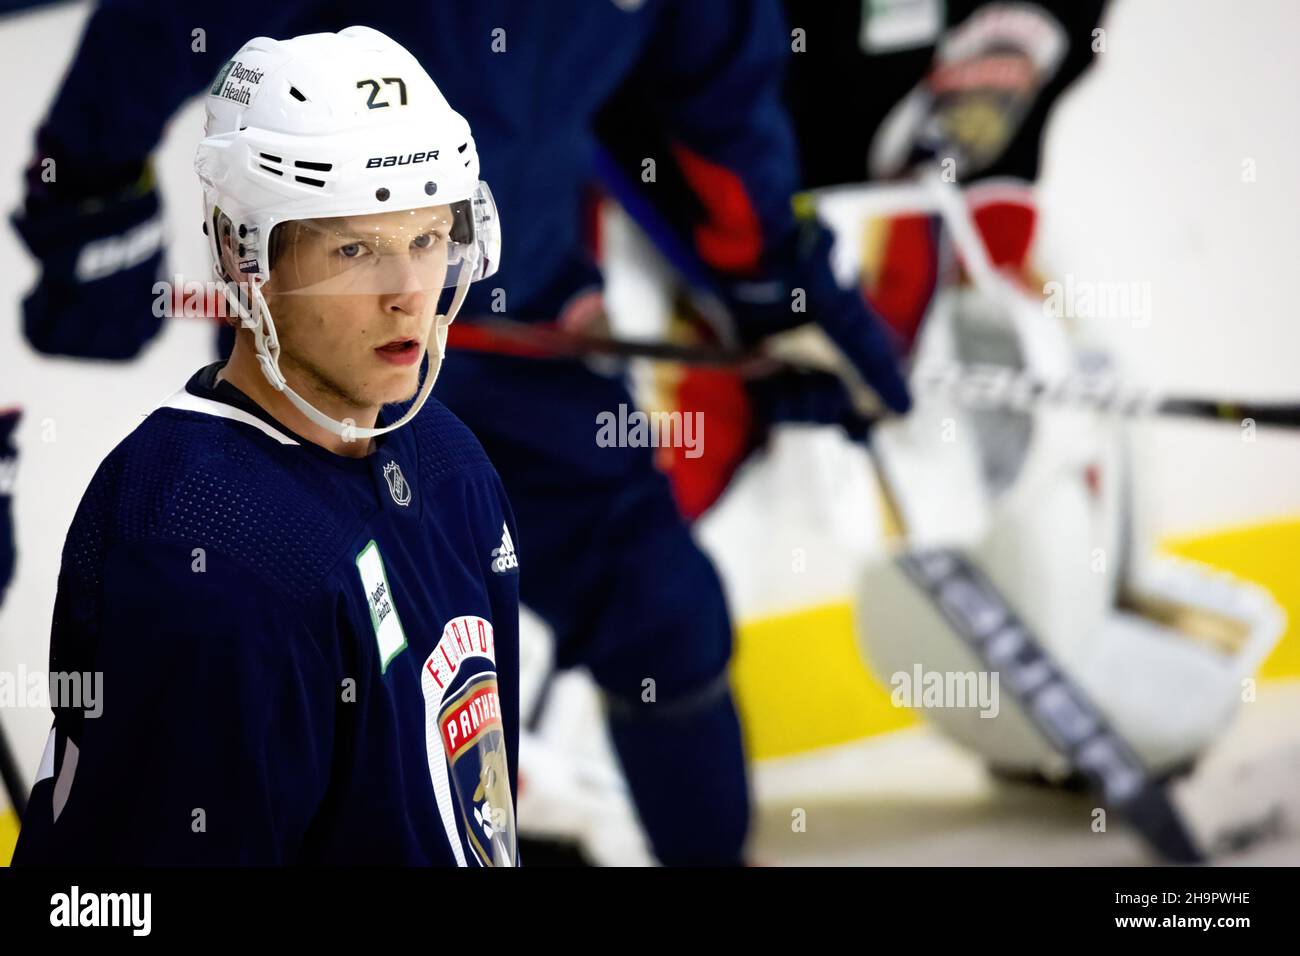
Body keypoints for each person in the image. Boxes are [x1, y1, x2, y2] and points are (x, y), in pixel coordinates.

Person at [13, 1, 913, 865]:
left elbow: (722, 111)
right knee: (337, 671)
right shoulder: (185, 519)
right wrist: (92, 183)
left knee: (667, 615)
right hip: (327, 365)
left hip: (538, 341)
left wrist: (782, 294)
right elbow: (168, 18)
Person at [11, 27, 519, 866]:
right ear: (243, 253)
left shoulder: (448, 461)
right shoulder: (203, 556)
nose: (409, 295)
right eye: (355, 249)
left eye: (428, 239)